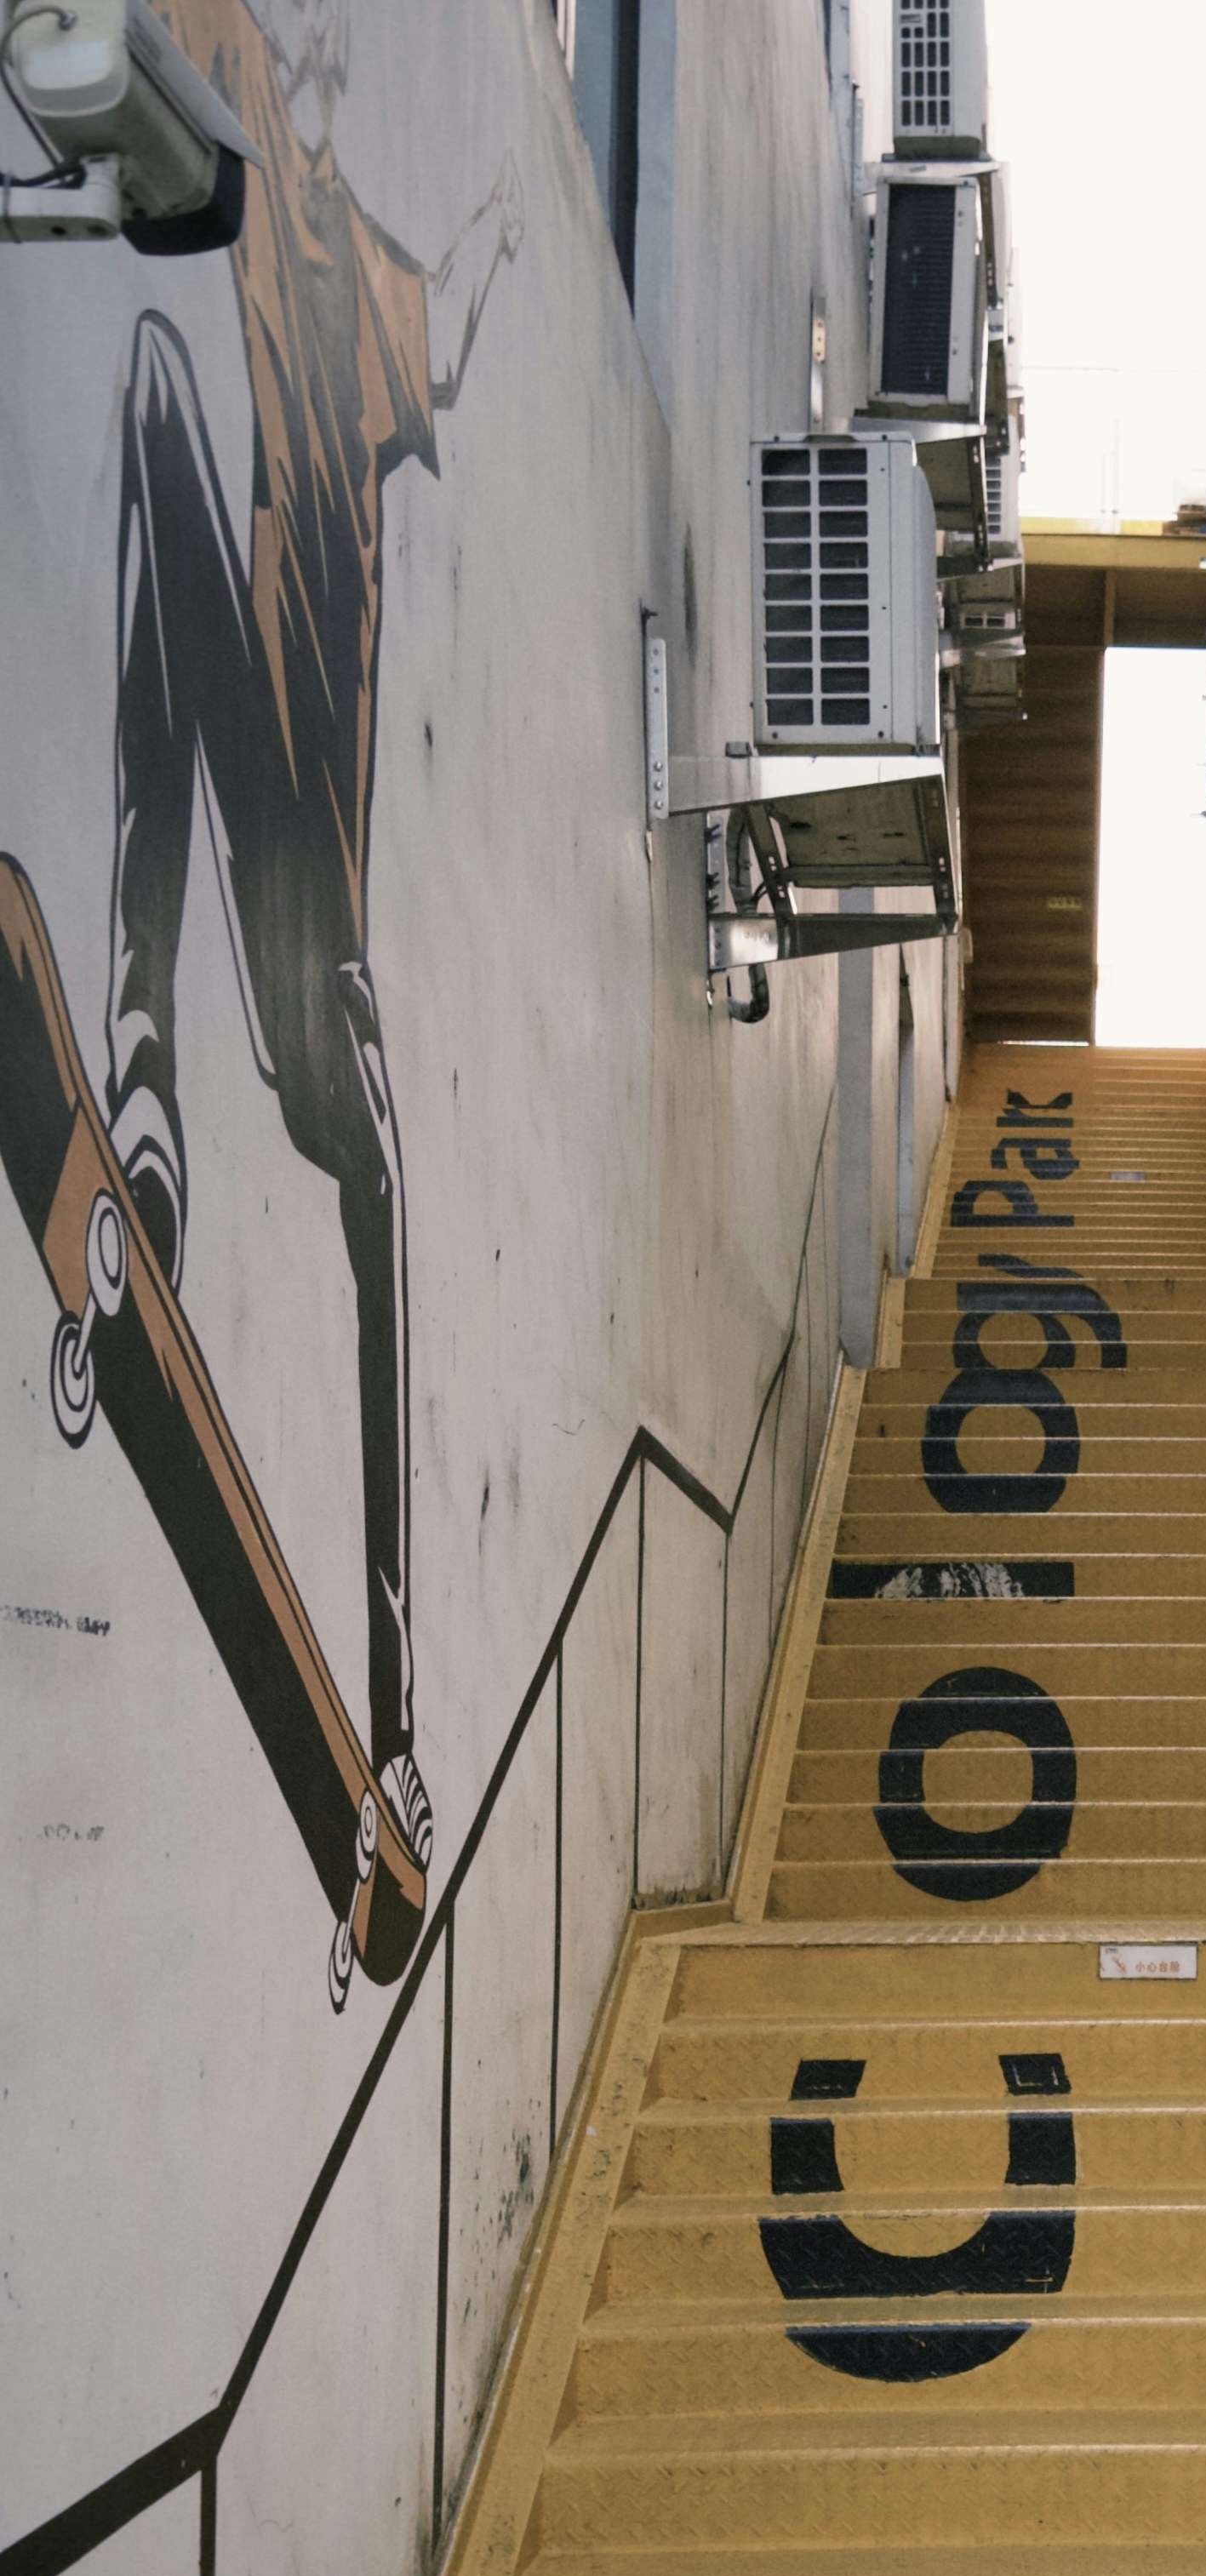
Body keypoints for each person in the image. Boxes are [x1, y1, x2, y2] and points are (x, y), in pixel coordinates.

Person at [101, 0, 522, 1866]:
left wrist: (529, 200)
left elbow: (487, 292)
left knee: (381, 1191)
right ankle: (142, 1077)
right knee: (150, 394)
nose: (316, 74)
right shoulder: (236, 117)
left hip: (321, 912)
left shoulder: (389, 283)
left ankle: (400, 1727)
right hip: (251, 757)